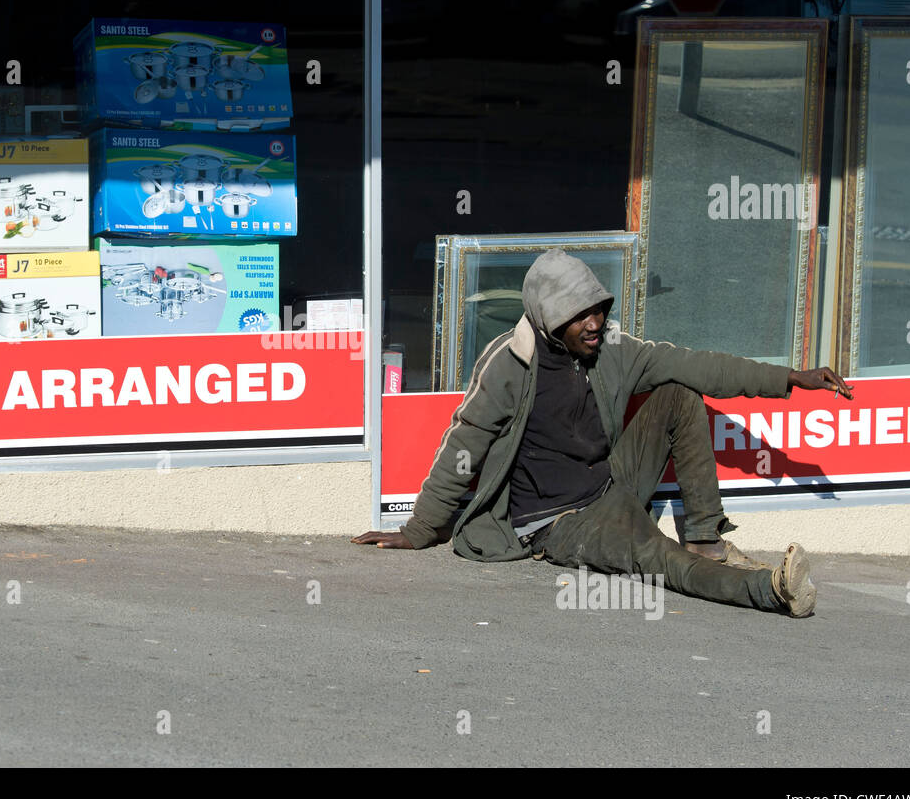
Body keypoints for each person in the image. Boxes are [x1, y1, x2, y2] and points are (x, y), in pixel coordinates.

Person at [353, 249, 854, 618]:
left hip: (611, 483)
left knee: (679, 391)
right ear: (550, 317)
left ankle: (705, 539)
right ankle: (772, 591)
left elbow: (695, 364)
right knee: (660, 558)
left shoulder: (610, 349)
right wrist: (418, 531)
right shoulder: (509, 364)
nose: (595, 324)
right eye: (581, 315)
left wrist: (788, 378)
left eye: (599, 310)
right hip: (560, 521)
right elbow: (464, 446)